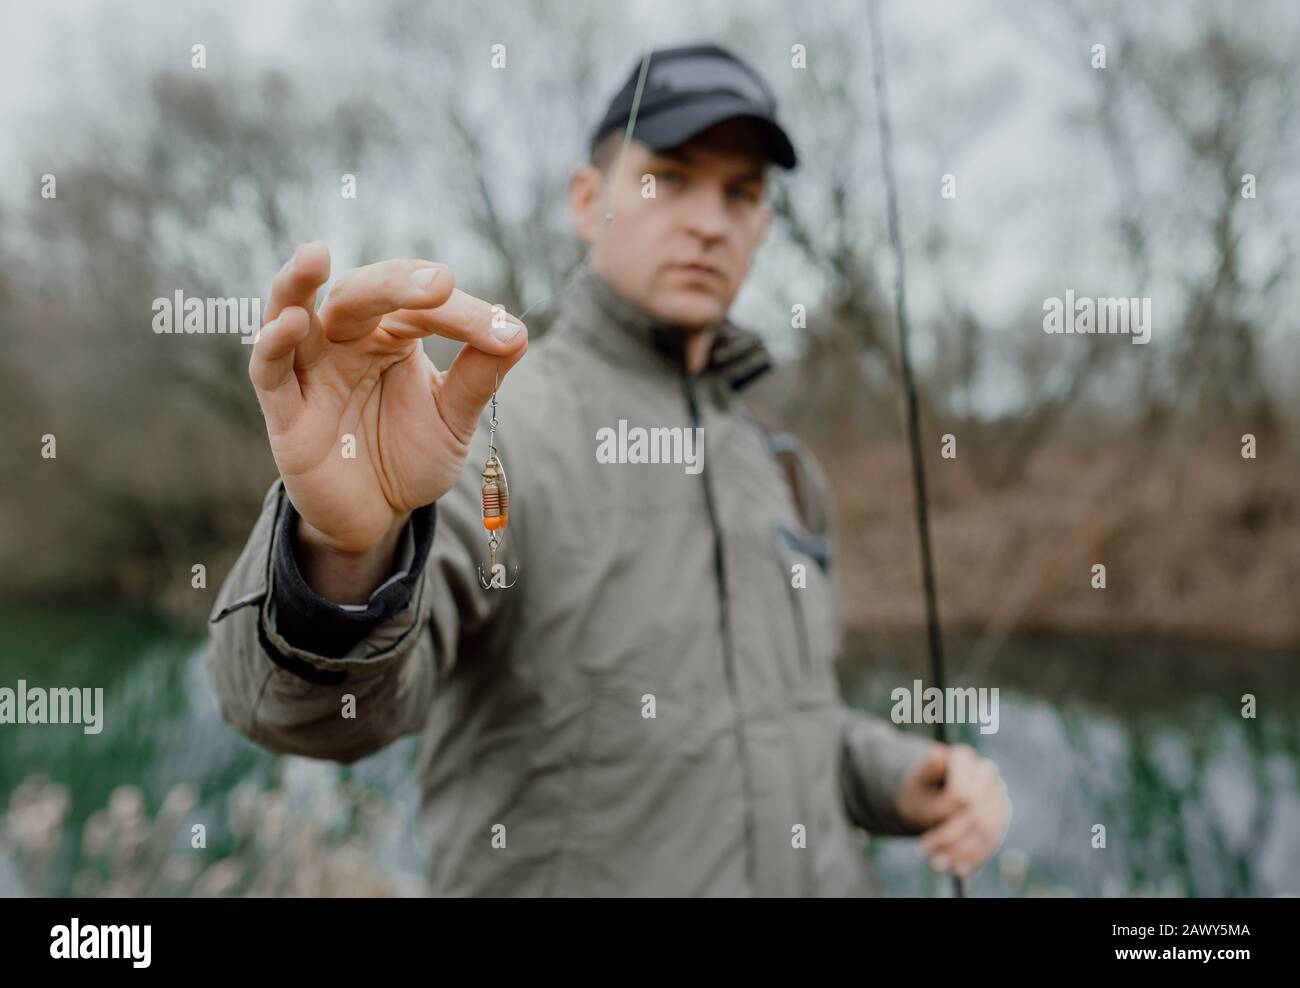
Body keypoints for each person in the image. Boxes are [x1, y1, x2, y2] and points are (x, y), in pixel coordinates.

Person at [205, 42, 1010, 896]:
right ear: (589, 203)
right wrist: (339, 553)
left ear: (765, 224)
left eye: (742, 193)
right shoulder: (490, 430)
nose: (709, 220)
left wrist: (901, 776)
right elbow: (299, 713)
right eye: (669, 178)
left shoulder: (780, 465)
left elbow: (783, 723)